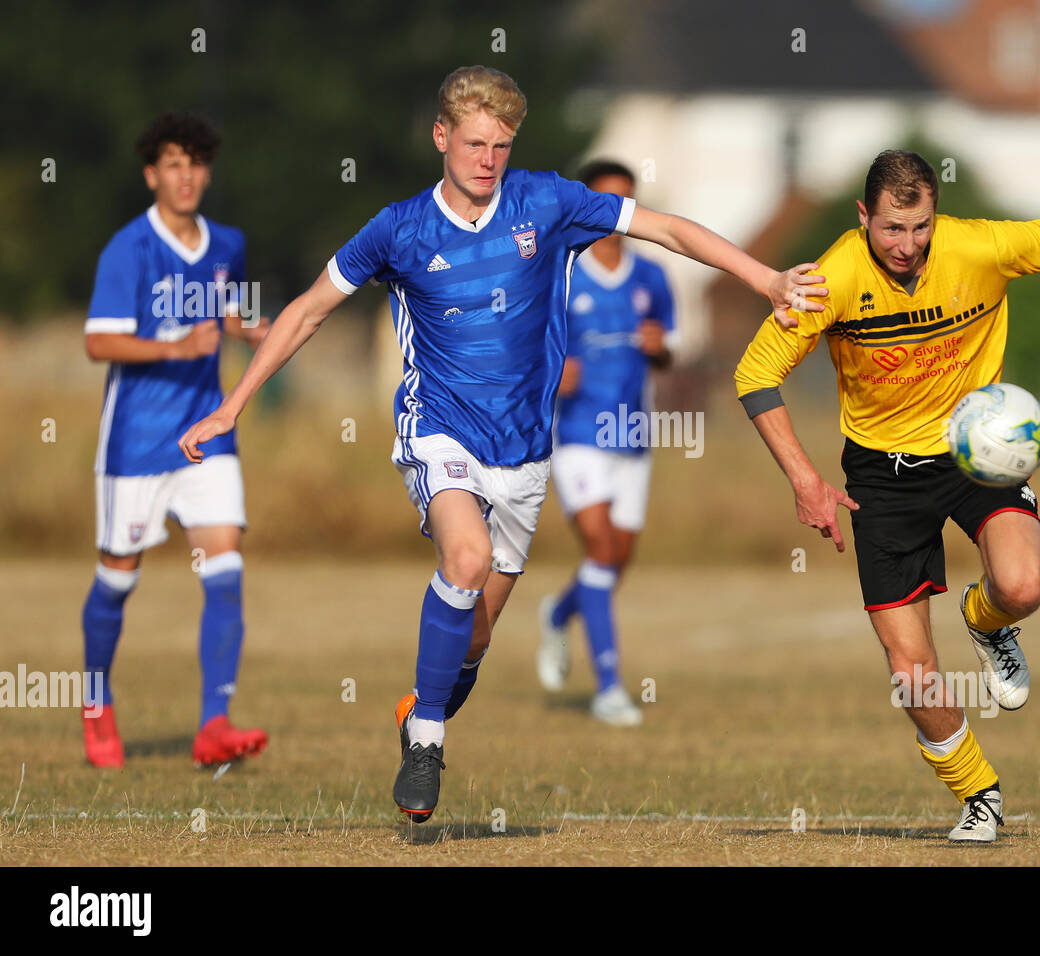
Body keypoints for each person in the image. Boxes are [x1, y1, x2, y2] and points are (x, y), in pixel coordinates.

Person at [178, 66, 826, 822]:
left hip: (524, 451)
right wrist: (232, 407)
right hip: (439, 426)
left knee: (475, 640)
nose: (489, 158)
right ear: (442, 137)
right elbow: (307, 311)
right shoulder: (399, 230)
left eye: (503, 145)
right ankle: (426, 739)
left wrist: (765, 277)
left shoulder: (548, 202)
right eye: (476, 142)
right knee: (466, 558)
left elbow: (669, 229)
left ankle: (429, 700)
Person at [734, 149, 1040, 842]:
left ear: (938, 214)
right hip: (881, 477)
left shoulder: (980, 247)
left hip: (973, 451)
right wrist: (806, 480)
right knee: (911, 674)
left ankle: (987, 622)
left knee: (1023, 586)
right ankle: (979, 795)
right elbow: (755, 375)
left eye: (920, 226)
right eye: (892, 229)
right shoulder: (830, 279)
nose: (907, 246)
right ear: (864, 216)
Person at [82, 112, 271, 769]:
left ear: (207, 172)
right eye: (172, 163)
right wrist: (173, 345)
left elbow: (233, 307)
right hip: (135, 440)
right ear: (151, 174)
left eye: (195, 162)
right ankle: (96, 704)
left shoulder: (228, 242)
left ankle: (214, 722)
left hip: (206, 432)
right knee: (116, 581)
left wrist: (253, 329)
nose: (185, 175)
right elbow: (97, 341)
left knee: (225, 567)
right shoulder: (127, 249)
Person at [536, 160, 676, 727]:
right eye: (604, 201)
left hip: (632, 437)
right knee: (599, 550)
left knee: (617, 559)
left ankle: (557, 612)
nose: (613, 216)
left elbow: (669, 350)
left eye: (624, 202)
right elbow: (530, 350)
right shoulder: (560, 274)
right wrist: (555, 373)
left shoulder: (651, 278)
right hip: (576, 436)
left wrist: (658, 346)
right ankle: (610, 686)